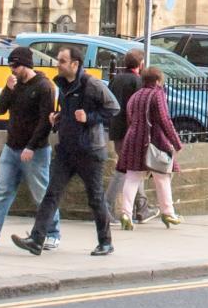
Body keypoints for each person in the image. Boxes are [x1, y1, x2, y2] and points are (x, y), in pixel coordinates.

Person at [11, 46, 120, 256]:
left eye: (62, 61)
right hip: (66, 150)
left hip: (89, 151)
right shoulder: (63, 86)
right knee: (51, 194)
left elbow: (113, 108)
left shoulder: (92, 85)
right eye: (58, 60)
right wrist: (58, 118)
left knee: (95, 197)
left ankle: (105, 242)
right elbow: (68, 113)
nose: (57, 64)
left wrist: (89, 117)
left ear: (74, 64)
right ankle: (36, 239)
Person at [0, 47, 56, 253]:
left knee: (41, 193)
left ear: (27, 64)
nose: (12, 70)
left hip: (35, 151)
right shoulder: (14, 85)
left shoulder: (44, 87)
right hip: (11, 147)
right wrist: (7, 90)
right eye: (10, 66)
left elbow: (45, 122)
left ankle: (52, 233)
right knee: (1, 192)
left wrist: (31, 146)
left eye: (16, 66)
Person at [114, 67, 184, 230]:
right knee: (162, 177)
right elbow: (164, 120)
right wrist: (176, 142)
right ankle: (168, 213)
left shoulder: (136, 96)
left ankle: (126, 213)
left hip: (133, 139)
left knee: (132, 177)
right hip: (153, 141)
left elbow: (130, 117)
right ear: (158, 80)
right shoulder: (157, 94)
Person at [105, 48, 149, 231]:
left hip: (116, 130)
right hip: (130, 132)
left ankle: (142, 207)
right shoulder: (137, 81)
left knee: (133, 170)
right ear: (140, 64)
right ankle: (105, 207)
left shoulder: (116, 79)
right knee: (124, 170)